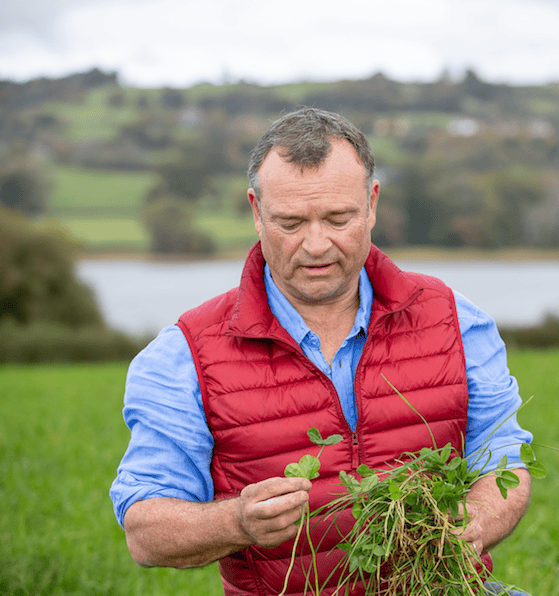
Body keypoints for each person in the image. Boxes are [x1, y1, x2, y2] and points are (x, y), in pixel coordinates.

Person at [110, 107, 533, 596]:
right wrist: (238, 522)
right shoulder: (184, 355)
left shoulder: (457, 321)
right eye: (290, 223)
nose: (316, 245)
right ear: (256, 211)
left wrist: (476, 522)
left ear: (371, 204)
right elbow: (145, 532)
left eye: (338, 219)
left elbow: (504, 464)